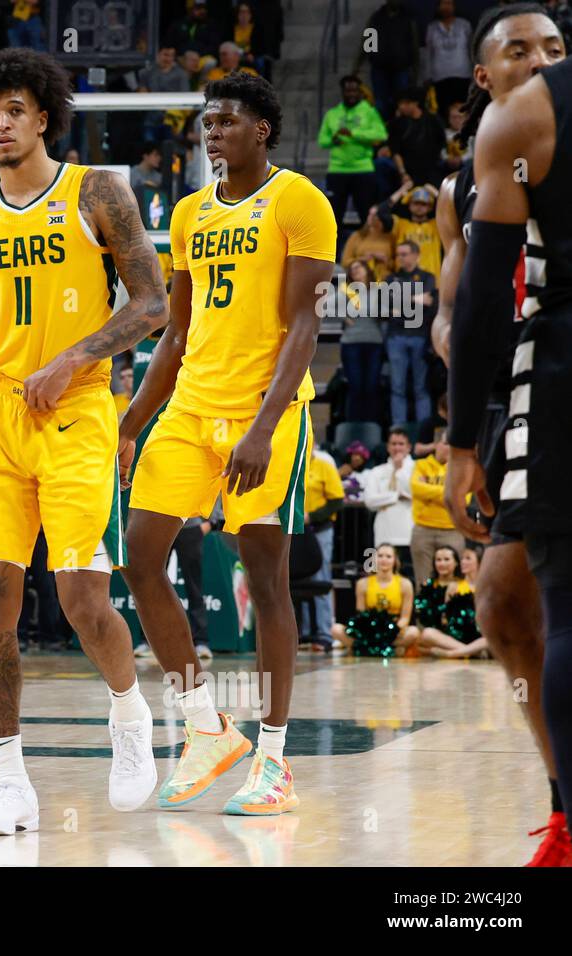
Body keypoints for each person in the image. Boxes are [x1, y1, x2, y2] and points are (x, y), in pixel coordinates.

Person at [0, 48, 169, 835]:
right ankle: (10, 782)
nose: (0, 125)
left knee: (79, 597)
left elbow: (153, 304)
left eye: (13, 112)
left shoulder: (97, 190)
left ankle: (131, 719)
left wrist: (74, 357)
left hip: (78, 411)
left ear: (43, 116)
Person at [119, 71, 335, 817]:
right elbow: (175, 333)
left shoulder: (298, 200)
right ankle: (205, 727)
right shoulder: (186, 214)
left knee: (266, 581)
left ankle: (274, 758)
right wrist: (132, 420)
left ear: (262, 131)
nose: (213, 135)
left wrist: (264, 428)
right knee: (139, 560)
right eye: (207, 125)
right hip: (189, 409)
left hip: (263, 412)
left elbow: (304, 323)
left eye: (226, 123)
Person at [435, 3, 569, 866]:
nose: (537, 60)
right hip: (496, 387)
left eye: (553, 48)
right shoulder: (465, 183)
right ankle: (559, 796)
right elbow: (458, 311)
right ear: (483, 75)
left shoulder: (546, 130)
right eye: (517, 50)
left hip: (547, 373)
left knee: (539, 594)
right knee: (501, 605)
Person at [318, 76, 387, 237]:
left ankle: (367, 251)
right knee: (333, 216)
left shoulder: (369, 112)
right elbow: (322, 140)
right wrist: (333, 139)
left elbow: (381, 134)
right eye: (348, 90)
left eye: (354, 90)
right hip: (337, 170)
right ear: (342, 92)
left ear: (360, 91)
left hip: (363, 169)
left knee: (366, 214)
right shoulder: (333, 114)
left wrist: (353, 133)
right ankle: (334, 255)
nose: (351, 94)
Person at [331, 543, 418, 655]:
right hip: (370, 629)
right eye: (380, 556)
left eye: (388, 557)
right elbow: (361, 613)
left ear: (395, 560)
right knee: (336, 629)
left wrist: (391, 631)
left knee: (413, 632)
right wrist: (372, 631)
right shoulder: (363, 583)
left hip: (394, 630)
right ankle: (380, 647)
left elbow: (405, 618)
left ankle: (371, 648)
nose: (384, 560)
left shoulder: (405, 584)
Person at [385, 240, 437, 425]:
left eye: (405, 254)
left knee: (420, 387)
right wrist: (415, 298)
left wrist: (400, 301)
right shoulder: (391, 279)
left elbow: (430, 302)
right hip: (396, 336)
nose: (401, 258)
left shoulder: (427, 277)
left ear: (416, 254)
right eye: (399, 254)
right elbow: (386, 304)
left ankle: (424, 429)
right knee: (397, 387)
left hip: (420, 335)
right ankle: (398, 428)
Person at [299, 446, 345, 647]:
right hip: (296, 529)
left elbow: (337, 501)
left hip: (320, 529)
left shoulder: (324, 466)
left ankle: (325, 631)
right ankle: (305, 631)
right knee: (299, 580)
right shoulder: (291, 463)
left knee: (321, 576)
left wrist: (313, 516)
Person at [411, 427, 465, 584]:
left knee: (454, 583)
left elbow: (463, 498)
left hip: (452, 530)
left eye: (452, 444)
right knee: (423, 584)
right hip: (423, 530)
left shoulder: (460, 468)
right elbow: (416, 489)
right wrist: (447, 493)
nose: (449, 448)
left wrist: (429, 492)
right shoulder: (420, 465)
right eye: (446, 443)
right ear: (436, 444)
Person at [418, 544, 487, 657]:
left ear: (479, 561)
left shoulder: (486, 587)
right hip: (458, 637)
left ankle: (453, 653)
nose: (463, 562)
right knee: (427, 633)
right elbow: (445, 618)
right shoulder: (454, 586)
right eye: (462, 559)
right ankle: (471, 652)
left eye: (468, 558)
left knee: (490, 639)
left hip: (481, 636)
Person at [362, 426, 416, 571]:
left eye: (401, 444)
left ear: (409, 447)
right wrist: (396, 496)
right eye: (393, 444)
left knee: (408, 579)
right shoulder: (377, 471)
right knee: (379, 578)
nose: (397, 448)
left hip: (409, 535)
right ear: (387, 447)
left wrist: (399, 470)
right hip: (383, 535)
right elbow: (370, 501)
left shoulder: (418, 469)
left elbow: (413, 493)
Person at [338, 259, 384, 422]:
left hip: (374, 342)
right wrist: (344, 316)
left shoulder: (378, 289)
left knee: (371, 387)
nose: (355, 270)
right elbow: (329, 305)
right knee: (355, 387)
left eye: (358, 267)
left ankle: (371, 426)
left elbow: (384, 311)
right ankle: (354, 427)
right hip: (351, 342)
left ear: (367, 269)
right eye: (352, 269)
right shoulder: (346, 290)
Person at [356, 0, 420, 117]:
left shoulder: (408, 18)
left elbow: (414, 46)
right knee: (380, 104)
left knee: (402, 103)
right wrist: (357, 66)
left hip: (401, 68)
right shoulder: (376, 17)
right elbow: (367, 43)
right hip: (379, 68)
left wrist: (415, 71)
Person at [424, 0, 472, 120]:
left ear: (454, 6)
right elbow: (429, 53)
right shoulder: (432, 28)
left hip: (462, 74)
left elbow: (471, 49)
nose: (446, 7)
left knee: (463, 111)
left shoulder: (464, 25)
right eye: (443, 4)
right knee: (443, 113)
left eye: (449, 3)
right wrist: (427, 75)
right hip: (440, 76)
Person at [341, 204, 395, 280]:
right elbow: (345, 262)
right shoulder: (357, 236)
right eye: (370, 214)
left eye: (375, 215)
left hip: (385, 281)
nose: (371, 217)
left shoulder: (391, 237)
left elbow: (399, 263)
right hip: (361, 280)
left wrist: (386, 260)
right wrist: (362, 259)